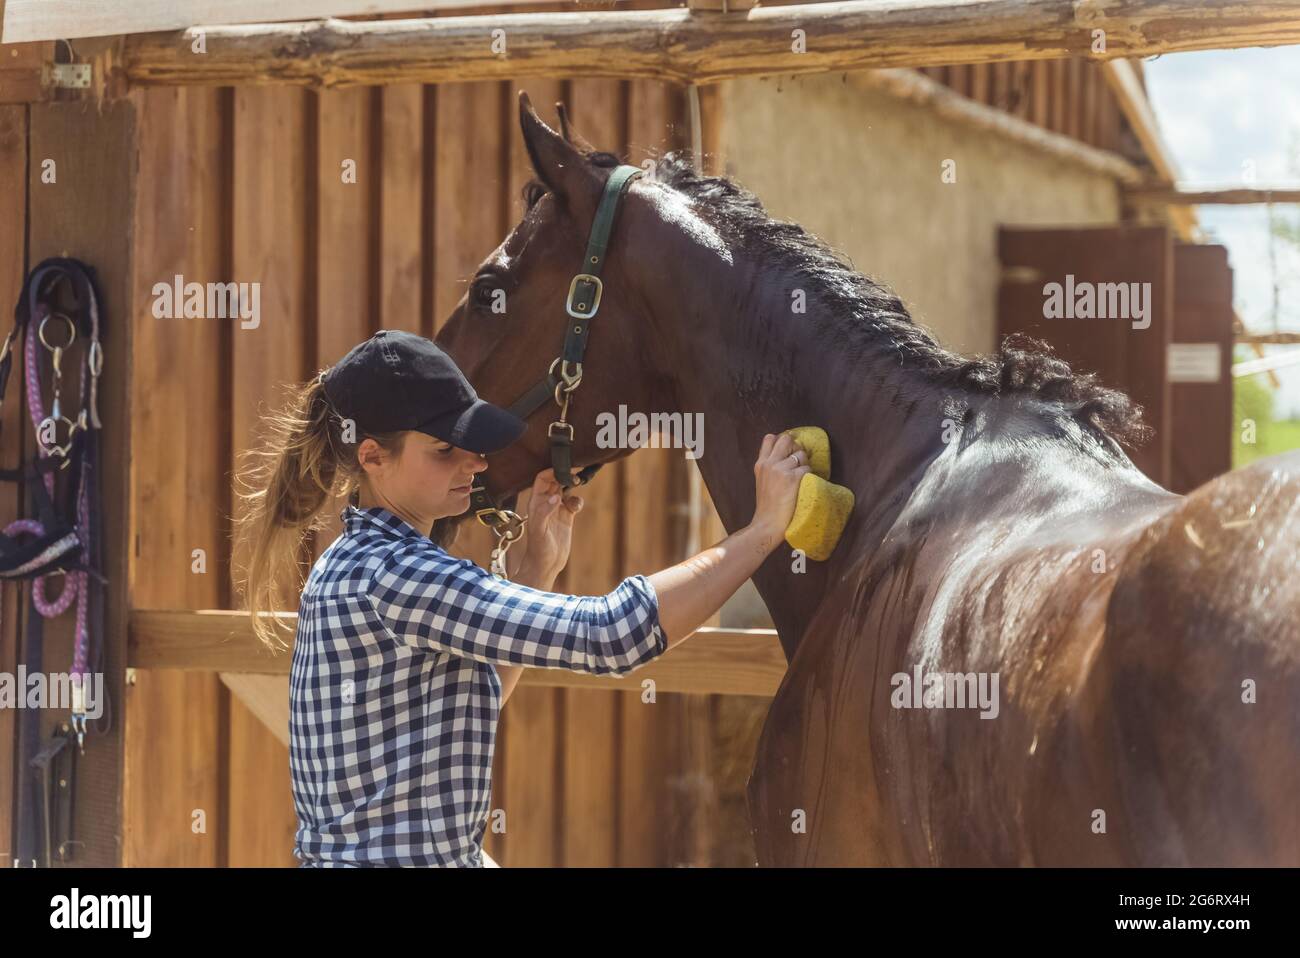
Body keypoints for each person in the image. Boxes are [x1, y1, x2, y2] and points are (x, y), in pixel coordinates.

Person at [233, 329, 810, 867]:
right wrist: (760, 533)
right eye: (444, 450)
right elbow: (611, 635)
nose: (476, 463)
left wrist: (537, 567)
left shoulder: (350, 563)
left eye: (472, 444)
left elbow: (467, 700)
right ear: (373, 458)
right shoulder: (398, 575)